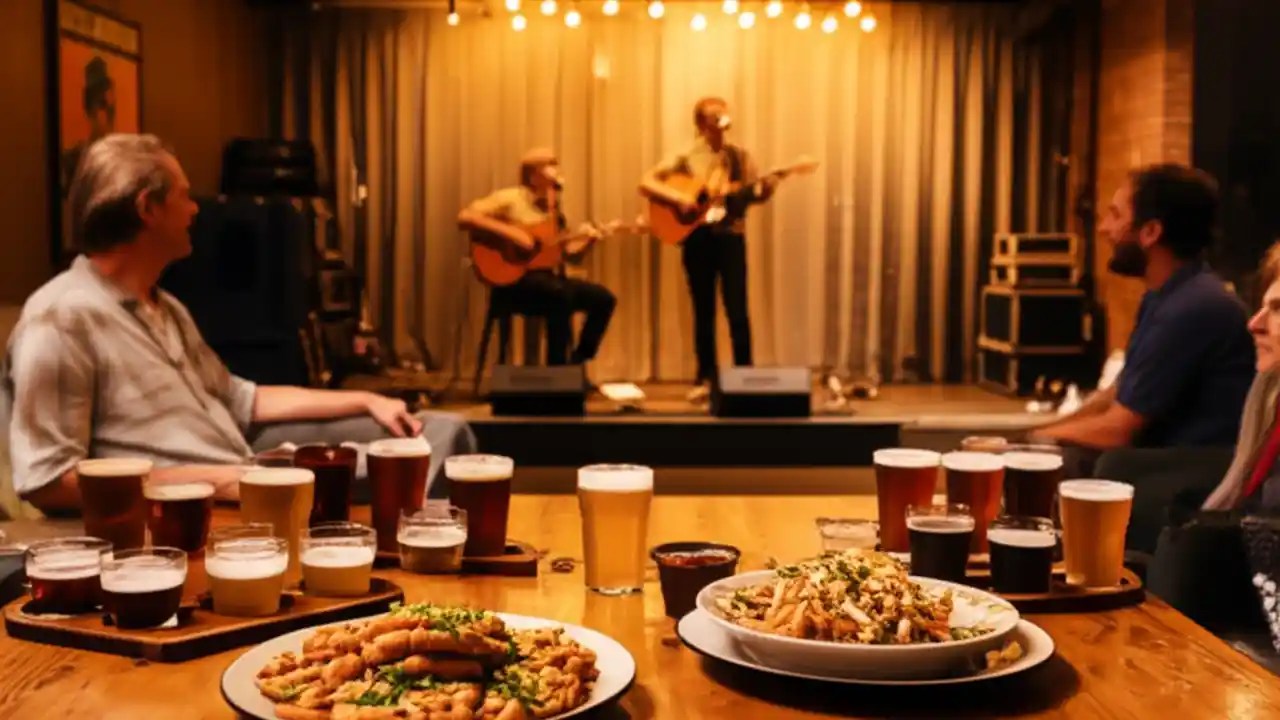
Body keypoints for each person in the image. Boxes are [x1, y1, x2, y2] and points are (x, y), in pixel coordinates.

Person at [2, 134, 476, 514]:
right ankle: (420, 567)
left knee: (438, 432)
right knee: (424, 457)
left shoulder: (163, 305)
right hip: (204, 497)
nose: (196, 211)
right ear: (148, 208)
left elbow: (242, 399)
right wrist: (224, 481)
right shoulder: (62, 319)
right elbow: (47, 481)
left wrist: (368, 398)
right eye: (185, 198)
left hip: (241, 459)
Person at [1030, 164, 1255, 476]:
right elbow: (1118, 393)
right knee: (1045, 452)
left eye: (1116, 215)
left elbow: (1118, 430)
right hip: (1158, 458)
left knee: (1065, 463)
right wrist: (1041, 432)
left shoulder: (1194, 307)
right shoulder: (1166, 295)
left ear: (1150, 232)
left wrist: (1029, 442)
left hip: (1196, 470)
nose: (1103, 228)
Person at [639, 97, 777, 402]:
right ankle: (705, 376)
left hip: (731, 236)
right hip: (698, 237)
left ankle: (745, 374)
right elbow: (647, 182)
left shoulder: (739, 156)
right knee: (703, 309)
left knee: (737, 307)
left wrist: (766, 188)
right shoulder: (686, 155)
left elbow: (752, 193)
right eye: (714, 116)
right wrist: (678, 200)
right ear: (701, 124)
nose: (722, 120)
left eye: (724, 114)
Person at [458, 148, 617, 367]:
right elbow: (465, 217)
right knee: (559, 296)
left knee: (603, 298)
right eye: (549, 166)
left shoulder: (554, 210)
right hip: (513, 283)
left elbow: (568, 255)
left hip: (546, 280)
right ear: (533, 176)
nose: (556, 171)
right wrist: (513, 233)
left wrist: (589, 239)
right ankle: (556, 371)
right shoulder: (509, 198)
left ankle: (576, 362)